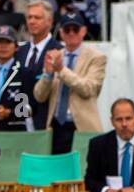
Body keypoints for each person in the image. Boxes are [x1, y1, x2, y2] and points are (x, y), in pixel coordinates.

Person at [34, 11, 106, 155]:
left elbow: (88, 89)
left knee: (83, 167)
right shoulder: (54, 56)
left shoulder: (96, 57)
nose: (71, 33)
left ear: (83, 31)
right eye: (67, 30)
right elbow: (39, 96)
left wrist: (61, 70)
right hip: (56, 126)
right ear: (61, 33)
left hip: (82, 126)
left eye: (75, 29)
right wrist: (48, 75)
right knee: (57, 168)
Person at [17, 0, 64, 133]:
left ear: (49, 21)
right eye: (29, 17)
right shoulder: (19, 51)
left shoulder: (59, 51)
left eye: (37, 18)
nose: (32, 21)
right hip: (21, 121)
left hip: (49, 122)